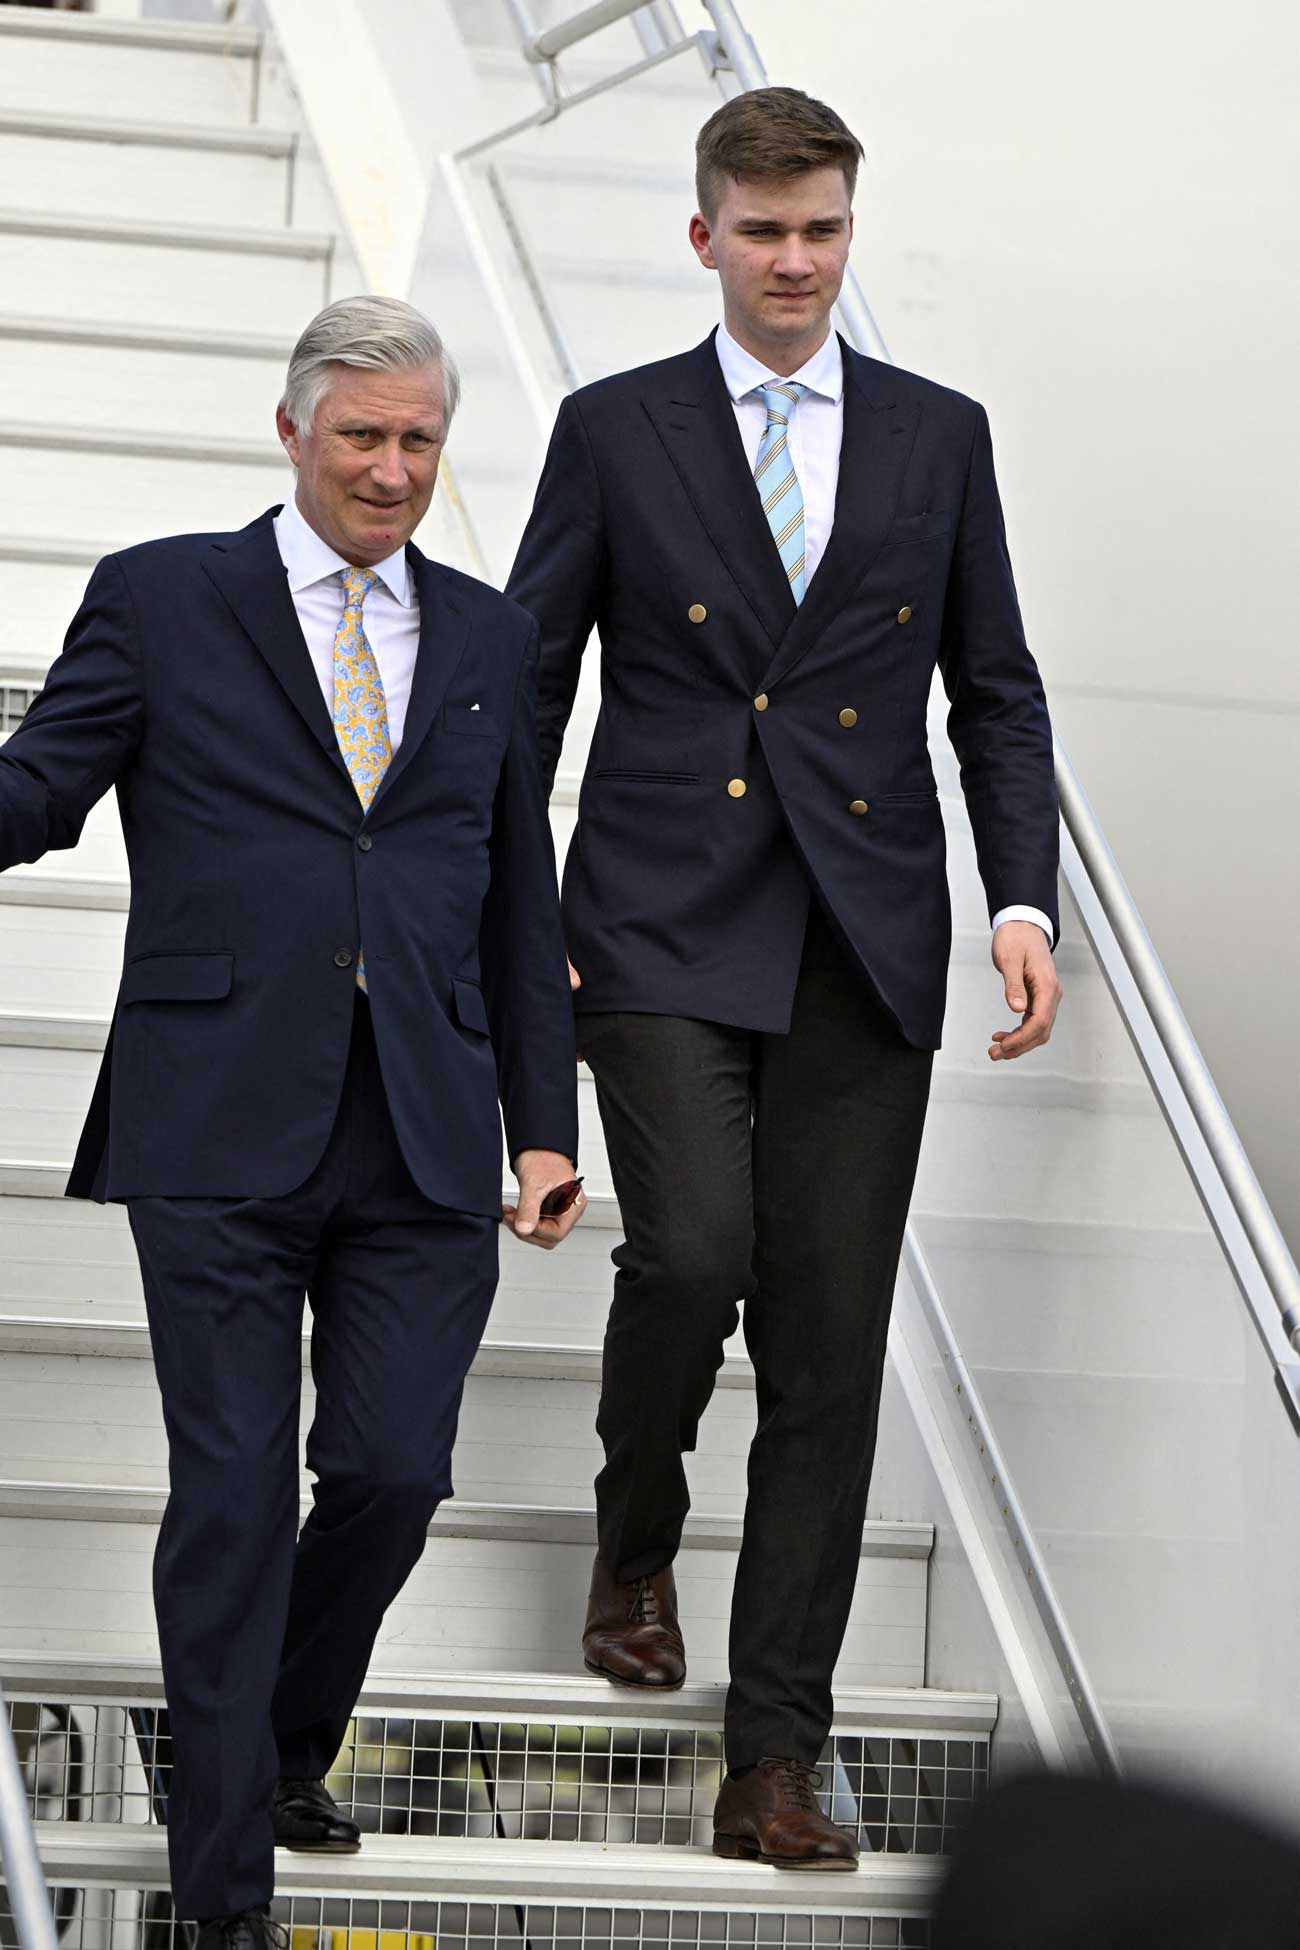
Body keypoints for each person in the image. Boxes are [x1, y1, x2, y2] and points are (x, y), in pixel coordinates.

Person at [507, 88, 1062, 1870]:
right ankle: (634, 1516)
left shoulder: (936, 437)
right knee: (693, 1254)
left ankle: (775, 1757)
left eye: (821, 228)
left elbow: (997, 684)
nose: (796, 261)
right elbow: (525, 693)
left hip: (863, 936)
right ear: (704, 238)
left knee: (826, 1355)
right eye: (763, 231)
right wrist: (505, 912)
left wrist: (1022, 900)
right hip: (658, 918)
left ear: (848, 228)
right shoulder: (615, 431)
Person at [0, 296, 583, 1941]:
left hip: (420, 1123)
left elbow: (510, 887)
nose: (392, 470)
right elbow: (42, 784)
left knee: (394, 1470)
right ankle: (223, 1901)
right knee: (239, 1488)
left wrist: (544, 1120)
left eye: (418, 441)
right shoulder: (164, 595)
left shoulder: (485, 635)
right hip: (217, 1116)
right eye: (363, 437)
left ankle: (254, 1748)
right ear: (290, 431)